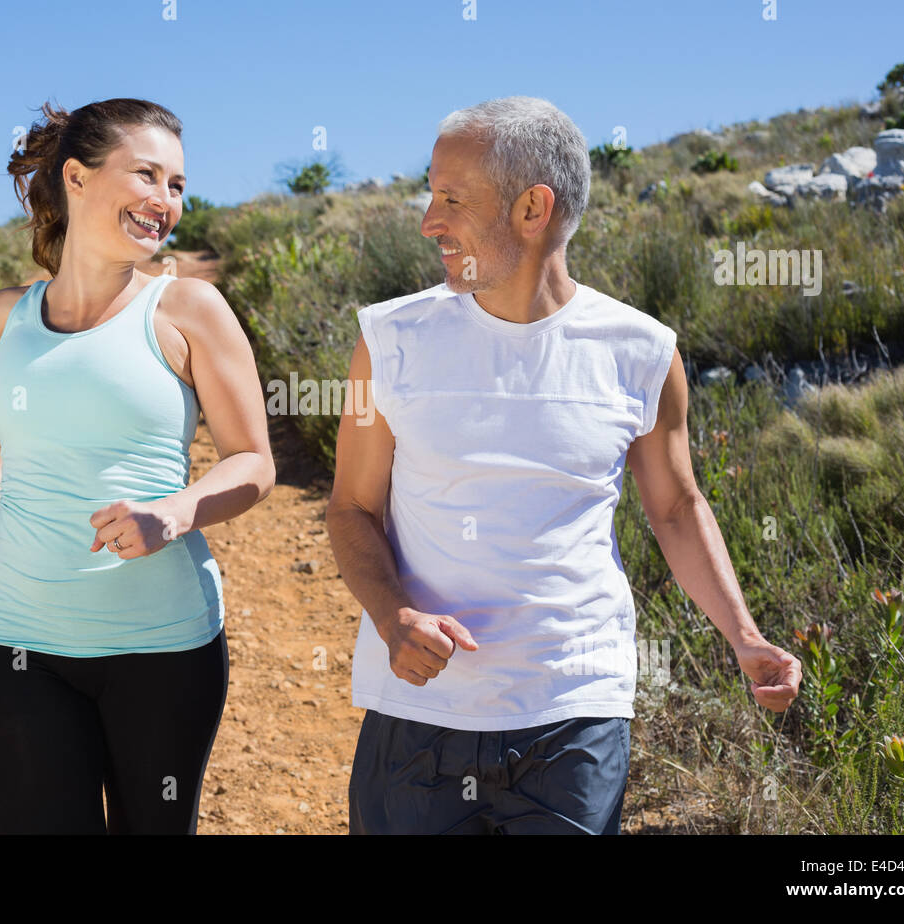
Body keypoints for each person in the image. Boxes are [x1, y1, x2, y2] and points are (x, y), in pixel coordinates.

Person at [326, 96, 801, 835]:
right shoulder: (388, 341)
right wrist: (393, 619)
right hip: (418, 716)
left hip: (575, 713)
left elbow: (676, 507)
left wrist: (744, 637)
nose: (429, 222)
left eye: (450, 199)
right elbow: (351, 507)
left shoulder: (641, 352)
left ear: (532, 208)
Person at [0, 98, 275, 834]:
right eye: (147, 175)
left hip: (160, 645)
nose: (166, 201)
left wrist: (175, 512)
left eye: (177, 185)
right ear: (78, 179)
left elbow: (252, 462)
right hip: (16, 640)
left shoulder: (187, 309)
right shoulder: (6, 316)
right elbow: (16, 426)